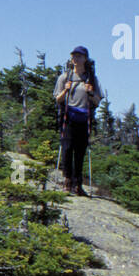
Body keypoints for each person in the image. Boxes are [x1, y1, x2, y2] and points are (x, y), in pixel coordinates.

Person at [54, 46, 103, 196]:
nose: (76, 58)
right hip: (68, 117)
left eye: (79, 56)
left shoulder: (91, 79)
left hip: (84, 118)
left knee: (80, 151)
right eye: (74, 56)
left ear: (85, 59)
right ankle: (68, 181)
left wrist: (90, 92)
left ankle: (78, 183)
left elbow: (97, 101)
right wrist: (65, 90)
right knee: (67, 149)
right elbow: (58, 99)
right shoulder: (64, 77)